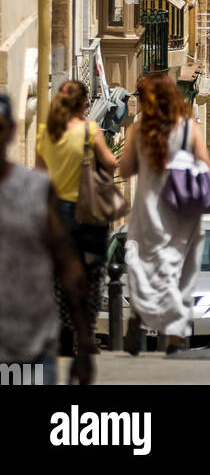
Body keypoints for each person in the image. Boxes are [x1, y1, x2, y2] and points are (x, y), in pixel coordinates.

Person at [0, 91, 95, 386]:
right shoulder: (86, 132)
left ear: (10, 131)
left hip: (34, 350)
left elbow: (67, 264)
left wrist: (84, 347)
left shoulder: (37, 189)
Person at [118, 73, 210, 355]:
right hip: (183, 210)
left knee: (145, 265)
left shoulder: (139, 129)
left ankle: (139, 314)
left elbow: (124, 170)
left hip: (150, 209)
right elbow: (205, 165)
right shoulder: (188, 128)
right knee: (180, 269)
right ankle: (173, 333)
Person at [36, 79, 118, 357]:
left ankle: (63, 333)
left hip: (55, 215)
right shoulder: (89, 130)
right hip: (86, 215)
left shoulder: (45, 133)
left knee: (58, 276)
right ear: (82, 104)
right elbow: (110, 162)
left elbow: (39, 176)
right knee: (91, 276)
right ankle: (85, 334)